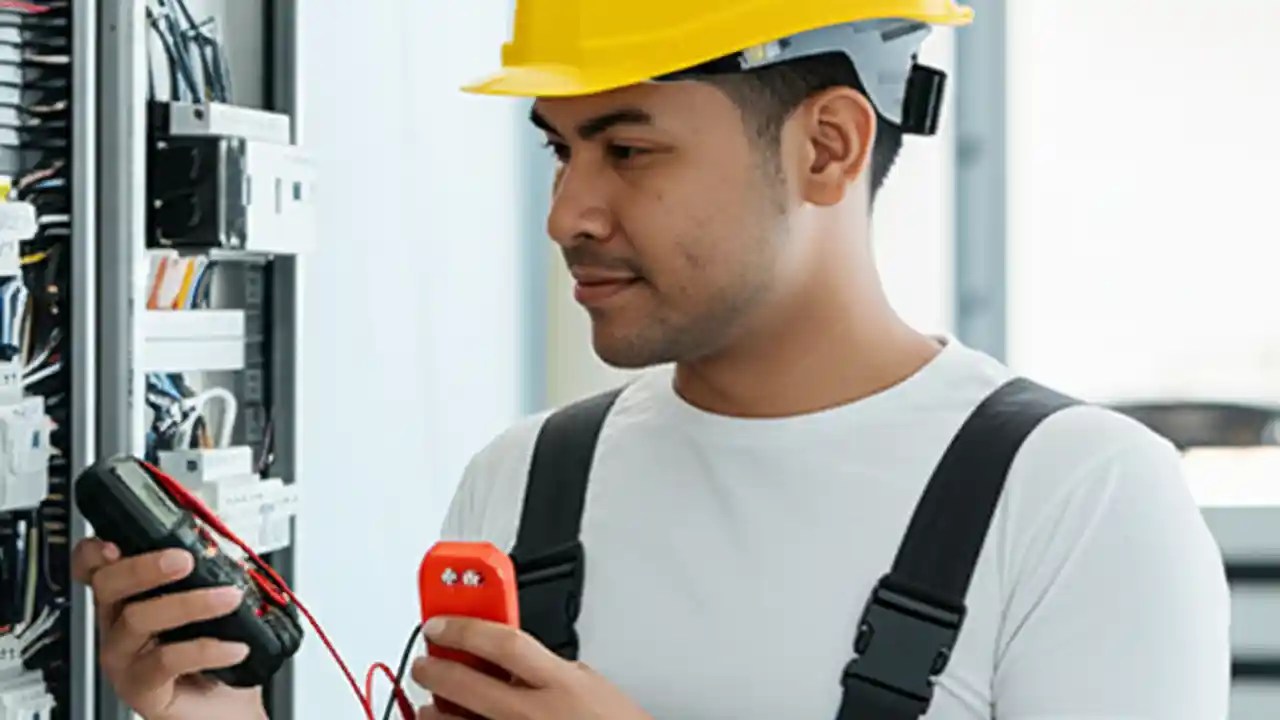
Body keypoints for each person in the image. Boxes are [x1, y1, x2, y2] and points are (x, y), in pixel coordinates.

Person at [72, 1, 1232, 719]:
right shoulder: (525, 480)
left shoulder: (1076, 496)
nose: (568, 211)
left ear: (827, 145)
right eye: (560, 150)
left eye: (628, 147)